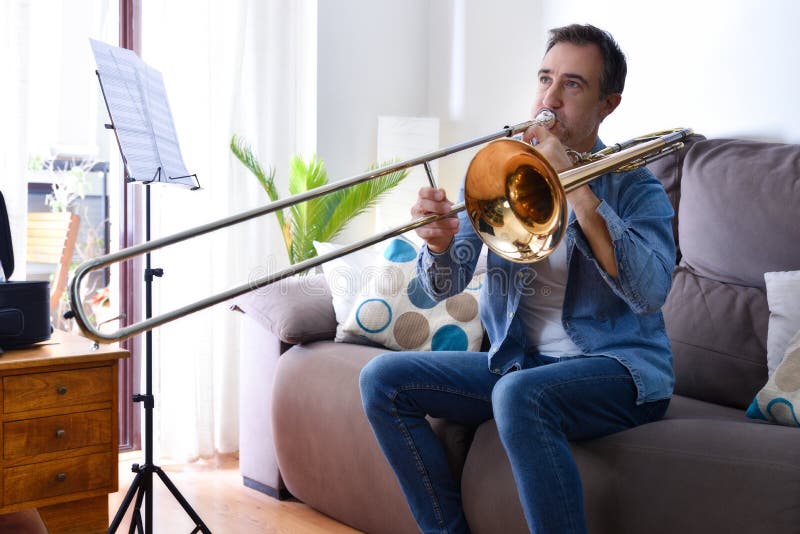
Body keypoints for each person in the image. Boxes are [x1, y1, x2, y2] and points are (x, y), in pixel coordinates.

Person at [359, 23, 675, 534]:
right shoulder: (506, 170)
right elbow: (443, 282)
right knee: (382, 381)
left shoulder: (638, 187)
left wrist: (578, 191)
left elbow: (650, 292)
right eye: (545, 79)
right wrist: (437, 245)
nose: (549, 98)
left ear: (607, 104)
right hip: (522, 362)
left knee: (518, 393)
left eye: (572, 84)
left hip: (622, 371)